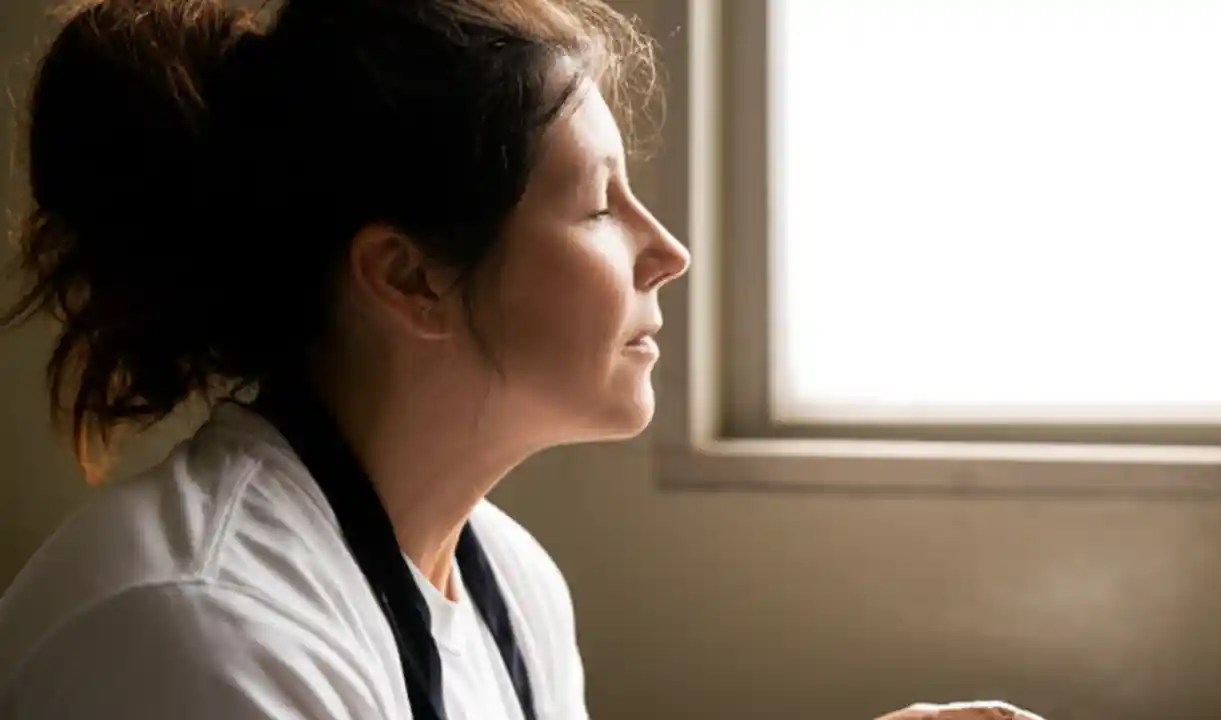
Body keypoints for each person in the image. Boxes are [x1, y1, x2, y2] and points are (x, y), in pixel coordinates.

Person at [0, 0, 1046, 718]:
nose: (665, 251)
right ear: (407, 277)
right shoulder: (201, 635)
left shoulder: (510, 583)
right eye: (598, 204)